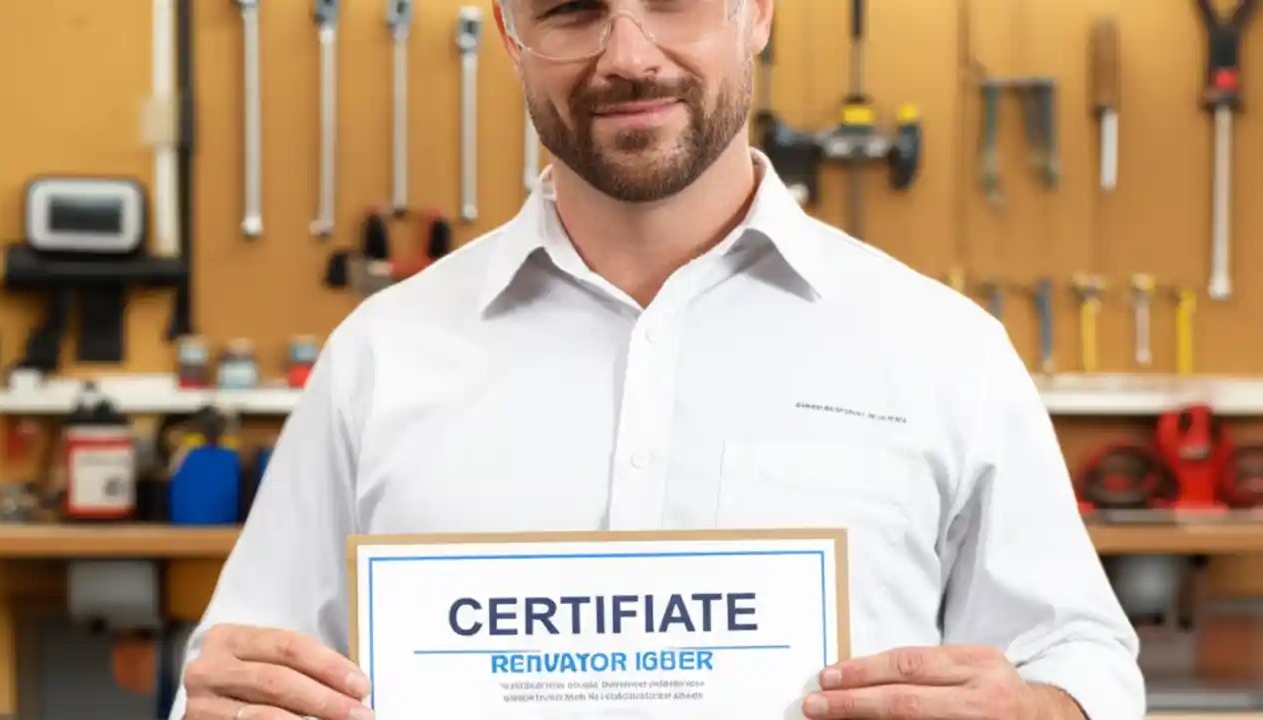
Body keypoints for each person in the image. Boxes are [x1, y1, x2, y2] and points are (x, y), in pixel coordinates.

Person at [171, 0, 1145, 718]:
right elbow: (232, 674)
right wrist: (225, 700)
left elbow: (1083, 655)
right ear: (509, 37)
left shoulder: (940, 352)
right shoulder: (377, 361)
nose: (628, 56)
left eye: (669, 2)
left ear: (756, 13)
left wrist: (1038, 709)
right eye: (572, 12)